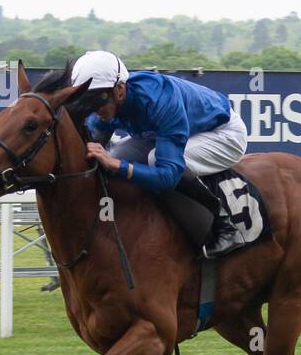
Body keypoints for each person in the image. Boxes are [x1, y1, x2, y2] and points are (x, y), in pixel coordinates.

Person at [68, 50, 251, 258]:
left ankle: (223, 224)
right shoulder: (107, 98)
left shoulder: (160, 101)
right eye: (86, 100)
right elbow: (90, 151)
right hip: (165, 131)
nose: (93, 109)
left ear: (119, 89)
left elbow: (168, 176)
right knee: (116, 152)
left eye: (97, 100)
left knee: (151, 160)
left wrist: (117, 166)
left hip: (223, 134)